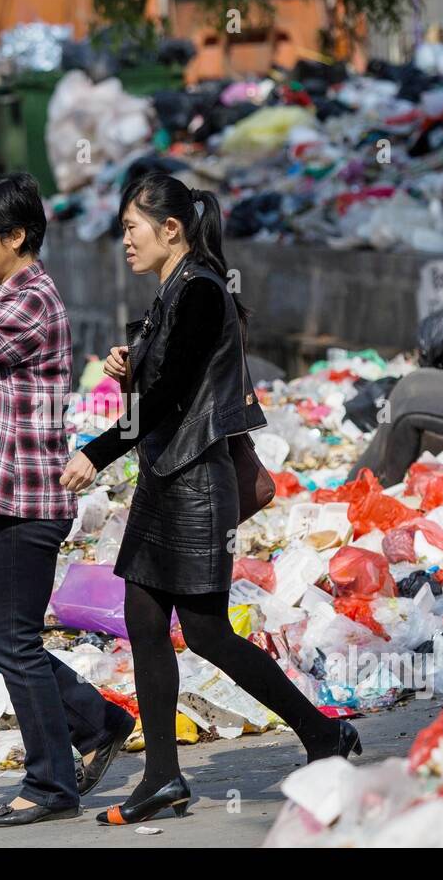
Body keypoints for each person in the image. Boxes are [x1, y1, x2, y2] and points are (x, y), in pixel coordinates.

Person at [59, 173, 362, 826]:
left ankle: (323, 734)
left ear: (171, 229)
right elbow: (170, 383)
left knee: (204, 631)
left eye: (133, 228)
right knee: (144, 618)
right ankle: (165, 776)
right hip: (170, 478)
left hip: (194, 482)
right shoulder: (180, 289)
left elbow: (168, 398)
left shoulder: (198, 291)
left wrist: (95, 452)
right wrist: (130, 367)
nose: (125, 241)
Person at [0, 173, 136, 829]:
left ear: (15, 237)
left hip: (29, 499)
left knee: (13, 639)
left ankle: (50, 782)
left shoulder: (27, 302)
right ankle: (96, 719)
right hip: (2, 496)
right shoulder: (10, 295)